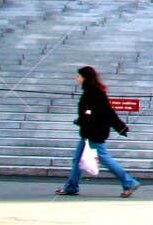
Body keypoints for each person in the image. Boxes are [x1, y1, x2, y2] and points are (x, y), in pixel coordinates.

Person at [55, 66, 140, 197]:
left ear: (85, 78)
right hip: (89, 132)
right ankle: (71, 186)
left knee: (104, 159)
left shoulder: (93, 93)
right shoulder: (93, 91)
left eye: (78, 76)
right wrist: (84, 118)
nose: (76, 78)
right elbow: (96, 112)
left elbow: (99, 112)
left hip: (93, 133)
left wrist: (83, 118)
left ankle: (129, 182)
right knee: (77, 160)